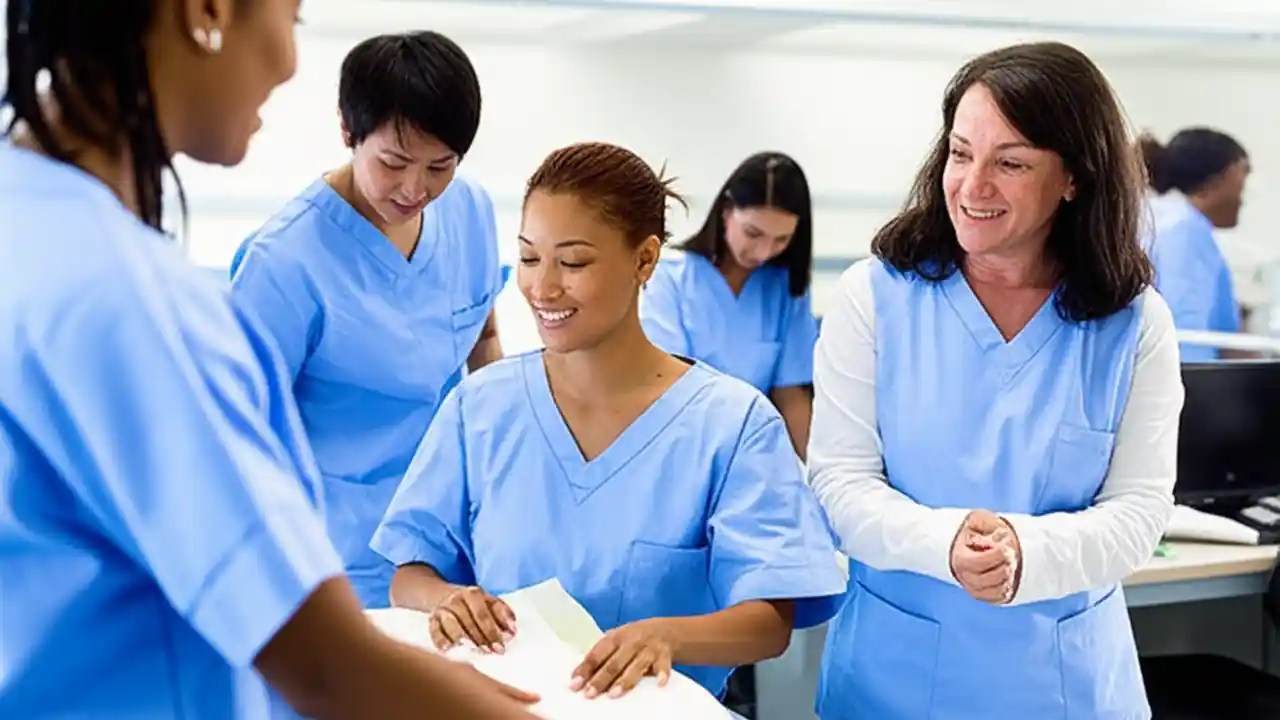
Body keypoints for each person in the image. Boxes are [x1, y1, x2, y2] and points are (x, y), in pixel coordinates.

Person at [0, 1, 539, 717]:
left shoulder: (28, 219)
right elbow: (325, 665)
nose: (289, 62)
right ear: (207, 11)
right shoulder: (134, 302)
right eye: (292, 13)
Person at [370, 142, 847, 701]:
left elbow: (769, 620)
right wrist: (444, 599)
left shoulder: (731, 426)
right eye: (528, 258)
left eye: (572, 263)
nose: (542, 288)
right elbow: (411, 571)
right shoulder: (480, 408)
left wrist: (666, 635)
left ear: (645, 260)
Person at [807, 42, 1184, 719]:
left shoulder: (1134, 324)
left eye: (1009, 163)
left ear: (1074, 177)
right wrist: (945, 545)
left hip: (1067, 688)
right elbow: (838, 483)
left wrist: (1027, 551)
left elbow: (1140, 510)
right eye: (960, 153)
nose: (972, 186)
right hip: (894, 682)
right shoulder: (874, 298)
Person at [229, 30, 505, 609]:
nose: (416, 189)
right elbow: (237, 437)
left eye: (440, 166)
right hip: (334, 561)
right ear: (348, 132)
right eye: (394, 162)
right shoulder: (284, 262)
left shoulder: (469, 210)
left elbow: (484, 334)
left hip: (447, 544)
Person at [640, 152, 816, 457]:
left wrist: (816, 476)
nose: (764, 252)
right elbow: (668, 391)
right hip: (684, 445)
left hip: (757, 450)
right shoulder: (669, 280)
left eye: (781, 240)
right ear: (725, 211)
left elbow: (792, 397)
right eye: (753, 233)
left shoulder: (787, 289)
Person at [1138, 128, 1250, 361]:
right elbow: (1188, 337)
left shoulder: (1159, 216)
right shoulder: (1185, 229)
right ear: (1216, 181)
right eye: (1242, 179)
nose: (1242, 199)